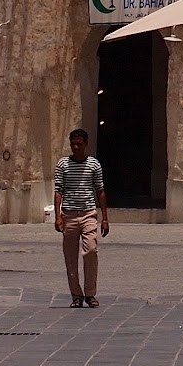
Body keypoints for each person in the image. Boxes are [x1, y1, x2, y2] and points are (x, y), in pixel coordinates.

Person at [54, 128, 109, 308]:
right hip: (69, 215)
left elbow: (100, 191)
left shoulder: (94, 164)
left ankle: (90, 293)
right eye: (73, 144)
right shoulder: (63, 164)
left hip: (88, 214)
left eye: (79, 144)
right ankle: (76, 295)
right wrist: (58, 216)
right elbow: (58, 191)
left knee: (91, 250)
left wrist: (105, 218)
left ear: (86, 144)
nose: (76, 147)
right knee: (70, 257)